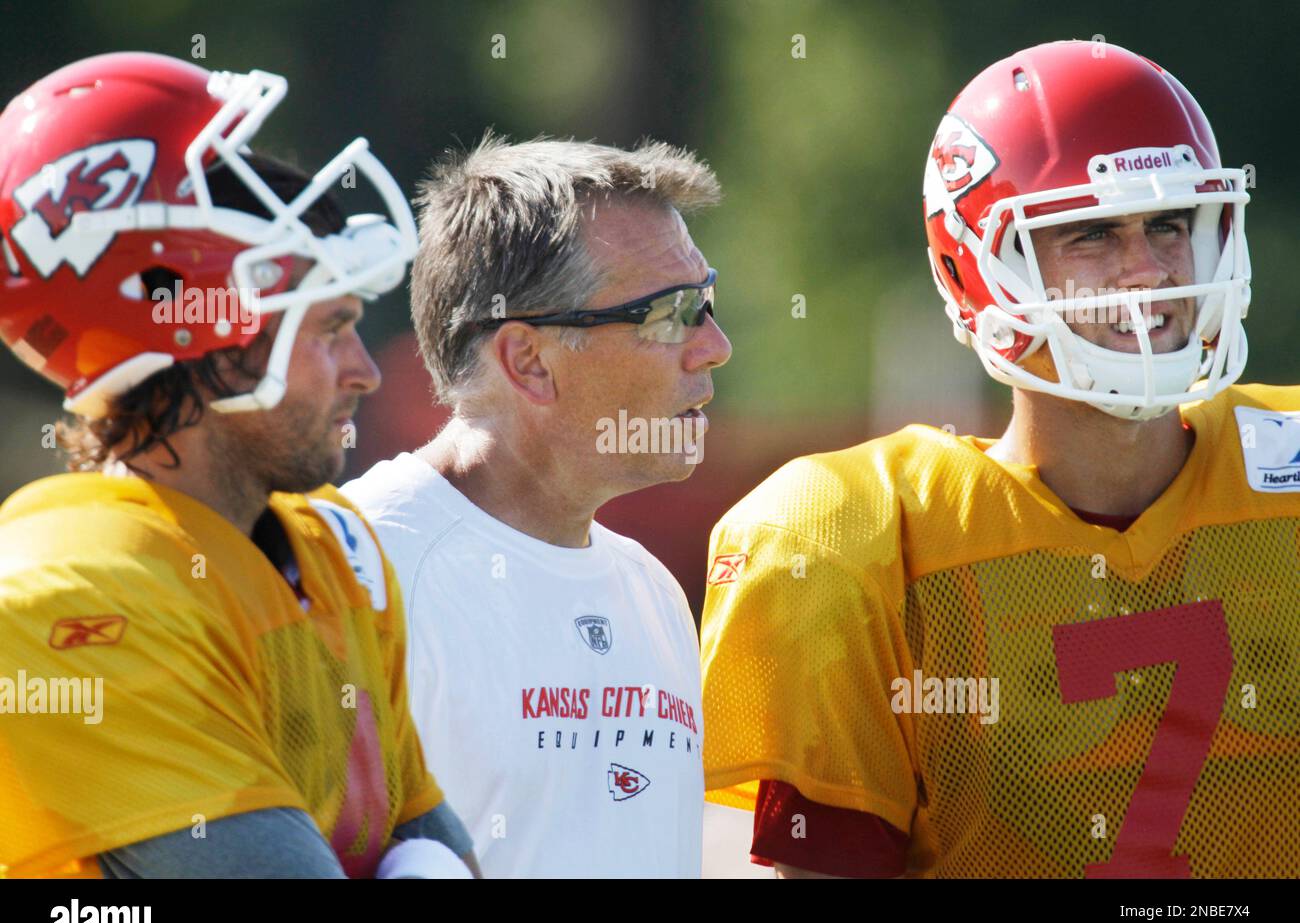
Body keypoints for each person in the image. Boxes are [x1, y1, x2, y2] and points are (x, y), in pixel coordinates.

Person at [700, 40, 1295, 878]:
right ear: (975, 269)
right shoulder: (857, 542)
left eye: (1169, 223)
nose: (1148, 271)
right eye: (1089, 232)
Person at [0, 52, 477, 878]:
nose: (365, 368)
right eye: (328, 326)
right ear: (194, 325)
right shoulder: (69, 592)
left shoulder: (333, 549)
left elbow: (442, 847)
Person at [342, 135, 731, 876]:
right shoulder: (358, 566)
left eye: (707, 300)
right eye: (671, 312)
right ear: (527, 360)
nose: (715, 344)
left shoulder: (652, 591)